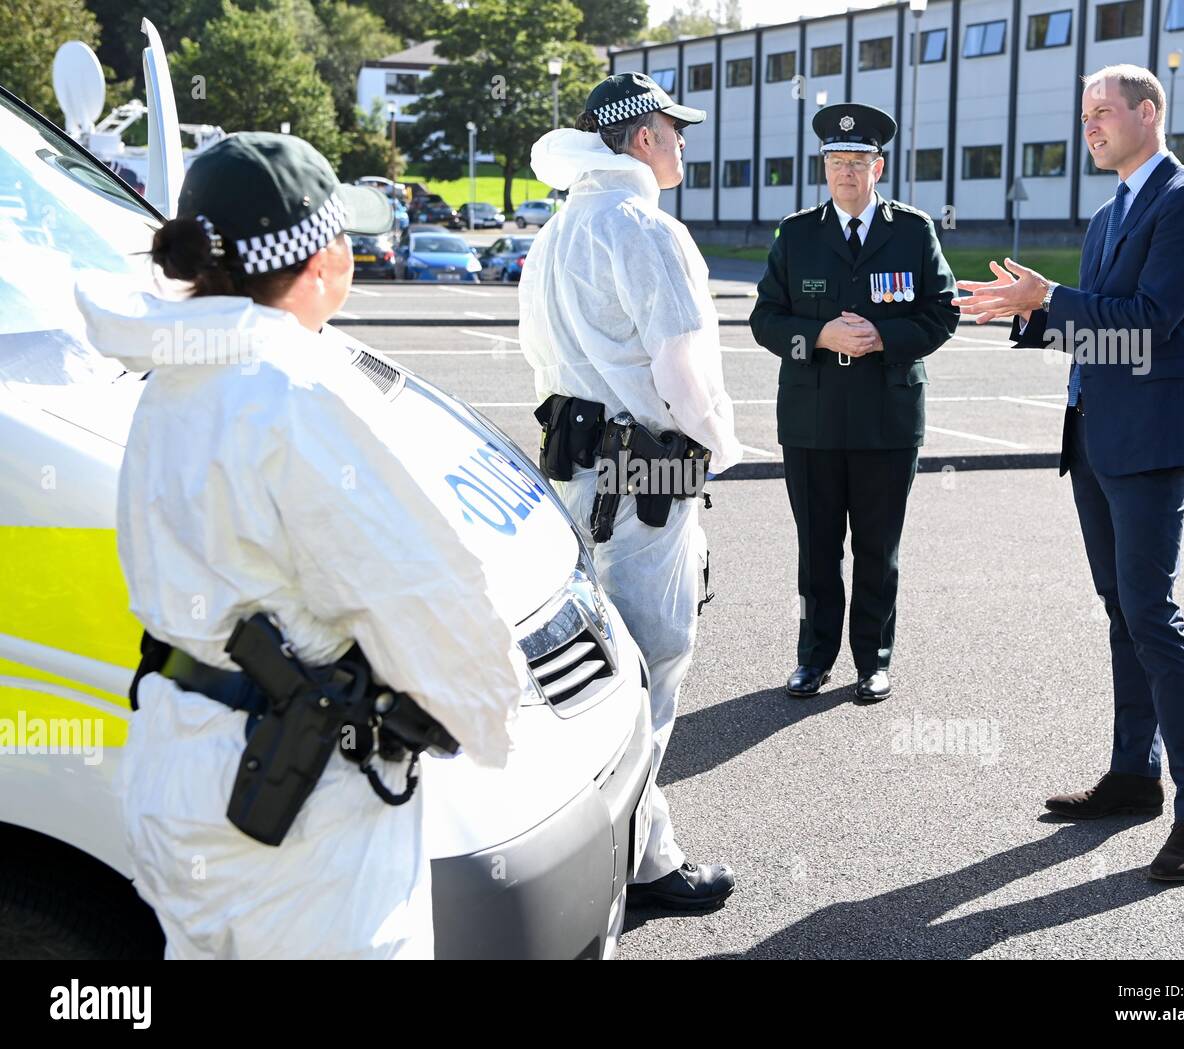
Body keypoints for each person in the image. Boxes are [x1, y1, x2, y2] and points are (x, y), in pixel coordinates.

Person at [75, 132, 532, 957]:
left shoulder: (173, 376)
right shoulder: (296, 393)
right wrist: (495, 724)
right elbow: (428, 599)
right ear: (319, 259)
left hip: (178, 760)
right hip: (298, 818)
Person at [956, 65, 1184, 882]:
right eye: (1084, 115)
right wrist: (1030, 314)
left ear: (1150, 112)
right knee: (1122, 609)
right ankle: (1134, 772)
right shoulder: (1109, 213)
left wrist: (1052, 299)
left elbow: (1147, 326)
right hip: (1096, 434)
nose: (1091, 126)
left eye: (1103, 112)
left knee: (1153, 613)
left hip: (1150, 439)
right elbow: (1095, 333)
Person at [519, 72, 742, 911]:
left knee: (583, 671)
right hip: (649, 474)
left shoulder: (554, 234)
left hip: (573, 470)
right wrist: (721, 446)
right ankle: (645, 859)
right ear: (642, 136)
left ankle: (592, 841)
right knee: (651, 664)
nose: (683, 142)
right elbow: (683, 371)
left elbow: (546, 365)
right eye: (673, 129)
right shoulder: (645, 229)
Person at [749, 104, 959, 704]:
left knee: (877, 549)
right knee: (816, 551)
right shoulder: (797, 234)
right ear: (824, 169)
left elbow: (943, 313)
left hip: (887, 419)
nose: (846, 172)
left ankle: (873, 660)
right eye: (836, 162)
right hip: (812, 419)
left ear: (878, 167)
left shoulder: (913, 231)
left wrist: (883, 339)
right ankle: (813, 660)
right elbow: (765, 319)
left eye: (857, 161)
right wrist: (818, 337)